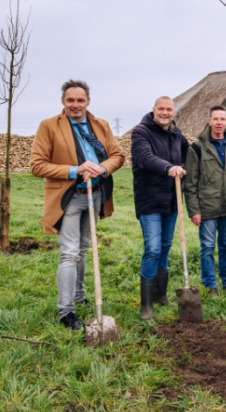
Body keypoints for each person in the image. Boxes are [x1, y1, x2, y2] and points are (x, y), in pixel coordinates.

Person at [30, 80, 125, 330]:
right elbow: (37, 165)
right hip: (68, 197)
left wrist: (101, 168)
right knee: (70, 253)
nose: (75, 104)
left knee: (83, 249)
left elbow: (117, 155)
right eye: (70, 100)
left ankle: (79, 295)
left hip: (95, 194)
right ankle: (66, 312)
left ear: (88, 102)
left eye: (80, 100)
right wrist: (76, 169)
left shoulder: (101, 125)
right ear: (63, 101)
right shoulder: (49, 126)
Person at [130, 96, 189, 320]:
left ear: (173, 111)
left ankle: (160, 295)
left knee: (164, 247)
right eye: (161, 109)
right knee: (153, 249)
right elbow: (144, 158)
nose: (165, 113)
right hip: (150, 200)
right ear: (153, 110)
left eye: (169, 109)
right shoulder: (141, 132)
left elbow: (188, 151)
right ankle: (146, 306)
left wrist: (184, 166)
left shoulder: (175, 133)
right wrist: (168, 168)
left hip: (171, 199)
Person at [184, 105, 226, 296]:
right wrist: (194, 210)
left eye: (222, 119)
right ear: (209, 121)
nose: (219, 123)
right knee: (207, 247)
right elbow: (190, 182)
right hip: (207, 207)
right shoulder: (197, 148)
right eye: (215, 119)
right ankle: (210, 285)